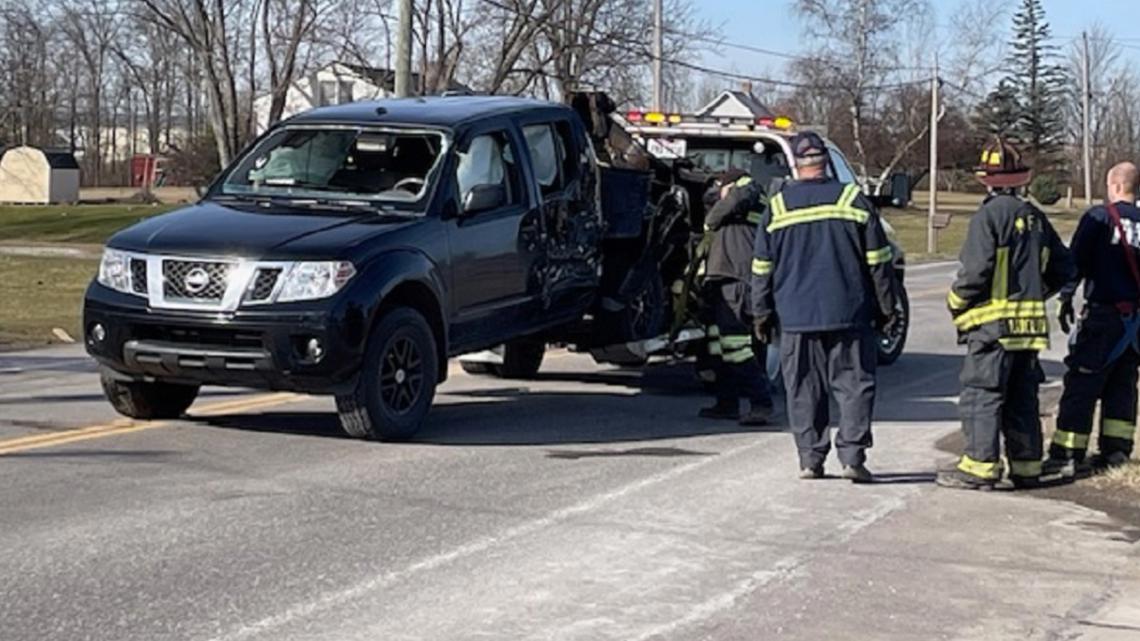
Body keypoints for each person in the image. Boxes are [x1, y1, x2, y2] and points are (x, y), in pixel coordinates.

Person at [751, 131, 898, 482]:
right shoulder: (853, 200)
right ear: (826, 163)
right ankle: (853, 457)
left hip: (795, 317)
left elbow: (761, 268)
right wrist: (887, 308)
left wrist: (761, 313)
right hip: (849, 314)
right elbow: (879, 262)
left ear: (795, 165)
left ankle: (810, 460)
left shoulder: (778, 207)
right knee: (854, 386)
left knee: (803, 389)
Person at [937, 138, 1074, 491]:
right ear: (1021, 179)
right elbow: (1065, 267)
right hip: (1028, 331)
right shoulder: (1035, 217)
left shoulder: (988, 216)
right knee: (1022, 398)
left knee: (982, 394)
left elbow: (975, 272)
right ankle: (1027, 467)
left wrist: (956, 301)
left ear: (986, 180)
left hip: (992, 329)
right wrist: (1036, 294)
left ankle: (979, 467)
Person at [1045, 162, 1140, 478]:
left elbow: (1075, 262)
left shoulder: (1099, 217)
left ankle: (1067, 452)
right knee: (1123, 384)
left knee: (1083, 383)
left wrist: (1065, 297)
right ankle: (1116, 450)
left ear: (1116, 186)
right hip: (1135, 323)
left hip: (1103, 316)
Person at [698, 169, 774, 426]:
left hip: (737, 280)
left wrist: (711, 219)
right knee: (719, 347)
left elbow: (718, 213)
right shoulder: (735, 210)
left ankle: (761, 402)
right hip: (723, 280)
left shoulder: (748, 190)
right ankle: (726, 402)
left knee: (736, 346)